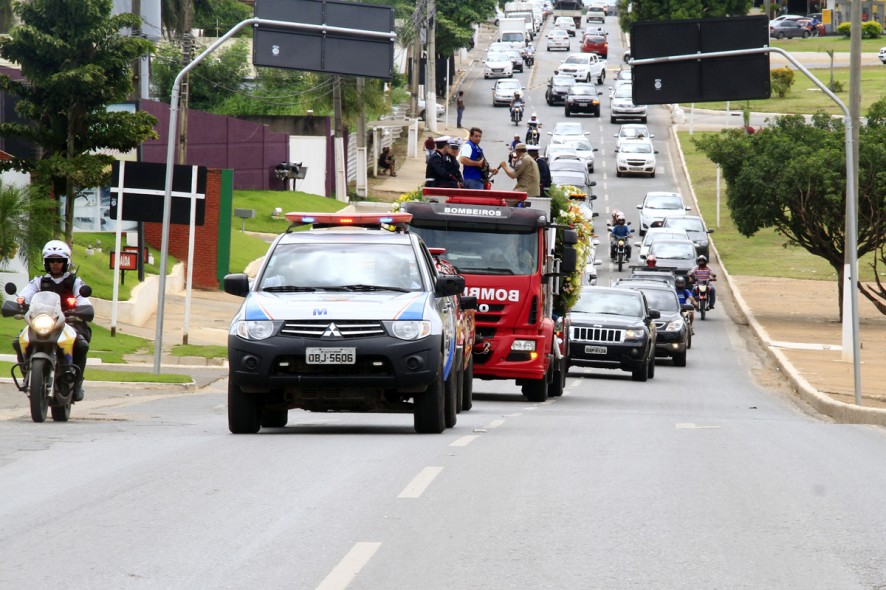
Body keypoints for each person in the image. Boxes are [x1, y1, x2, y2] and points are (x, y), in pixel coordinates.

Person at [13, 240, 92, 402]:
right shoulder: (38, 281)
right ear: (46, 262)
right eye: (51, 260)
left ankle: (76, 384)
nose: (55, 264)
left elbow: (84, 301)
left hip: (69, 322)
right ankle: (27, 372)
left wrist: (82, 308)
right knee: (18, 341)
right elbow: (24, 295)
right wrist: (19, 303)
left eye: (59, 260)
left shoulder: (75, 282)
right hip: (42, 321)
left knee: (81, 344)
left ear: (66, 262)